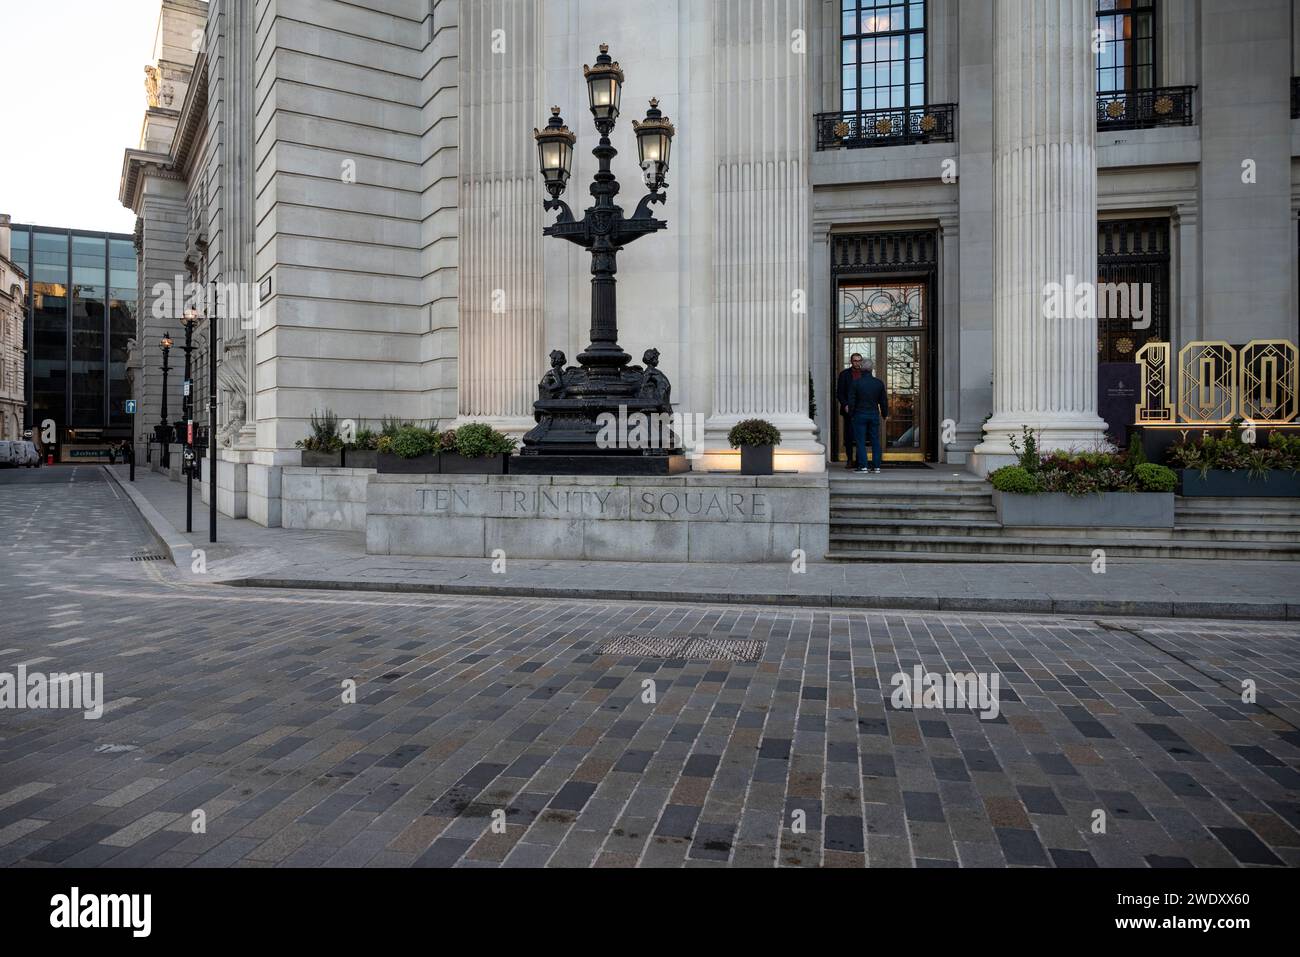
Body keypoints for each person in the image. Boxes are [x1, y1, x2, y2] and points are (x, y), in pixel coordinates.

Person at [848, 363, 889, 474]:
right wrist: (885, 414)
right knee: (875, 440)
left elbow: (851, 402)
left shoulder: (856, 383)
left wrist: (851, 414)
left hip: (859, 414)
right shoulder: (878, 383)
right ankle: (876, 467)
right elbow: (883, 401)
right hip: (874, 414)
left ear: (862, 369)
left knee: (860, 441)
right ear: (872, 369)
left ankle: (863, 466)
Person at [836, 353, 866, 469]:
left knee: (861, 435)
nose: (857, 363)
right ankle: (849, 460)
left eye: (859, 361)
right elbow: (840, 393)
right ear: (851, 361)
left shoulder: (865, 374)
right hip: (849, 410)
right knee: (849, 436)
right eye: (855, 361)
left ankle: (859, 460)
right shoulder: (844, 374)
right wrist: (845, 404)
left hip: (862, 409)